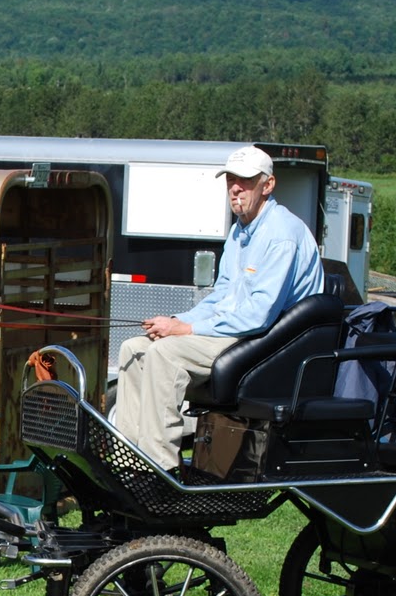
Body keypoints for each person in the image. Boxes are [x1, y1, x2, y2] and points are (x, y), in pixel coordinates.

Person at [111, 145, 326, 471]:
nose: (235, 187)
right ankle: (127, 463)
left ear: (268, 185)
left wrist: (184, 330)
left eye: (246, 180)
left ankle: (159, 469)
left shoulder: (282, 234)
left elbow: (258, 315)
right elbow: (221, 298)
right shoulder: (240, 232)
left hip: (271, 343)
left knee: (164, 354)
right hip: (243, 333)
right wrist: (174, 320)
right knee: (134, 349)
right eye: (230, 180)